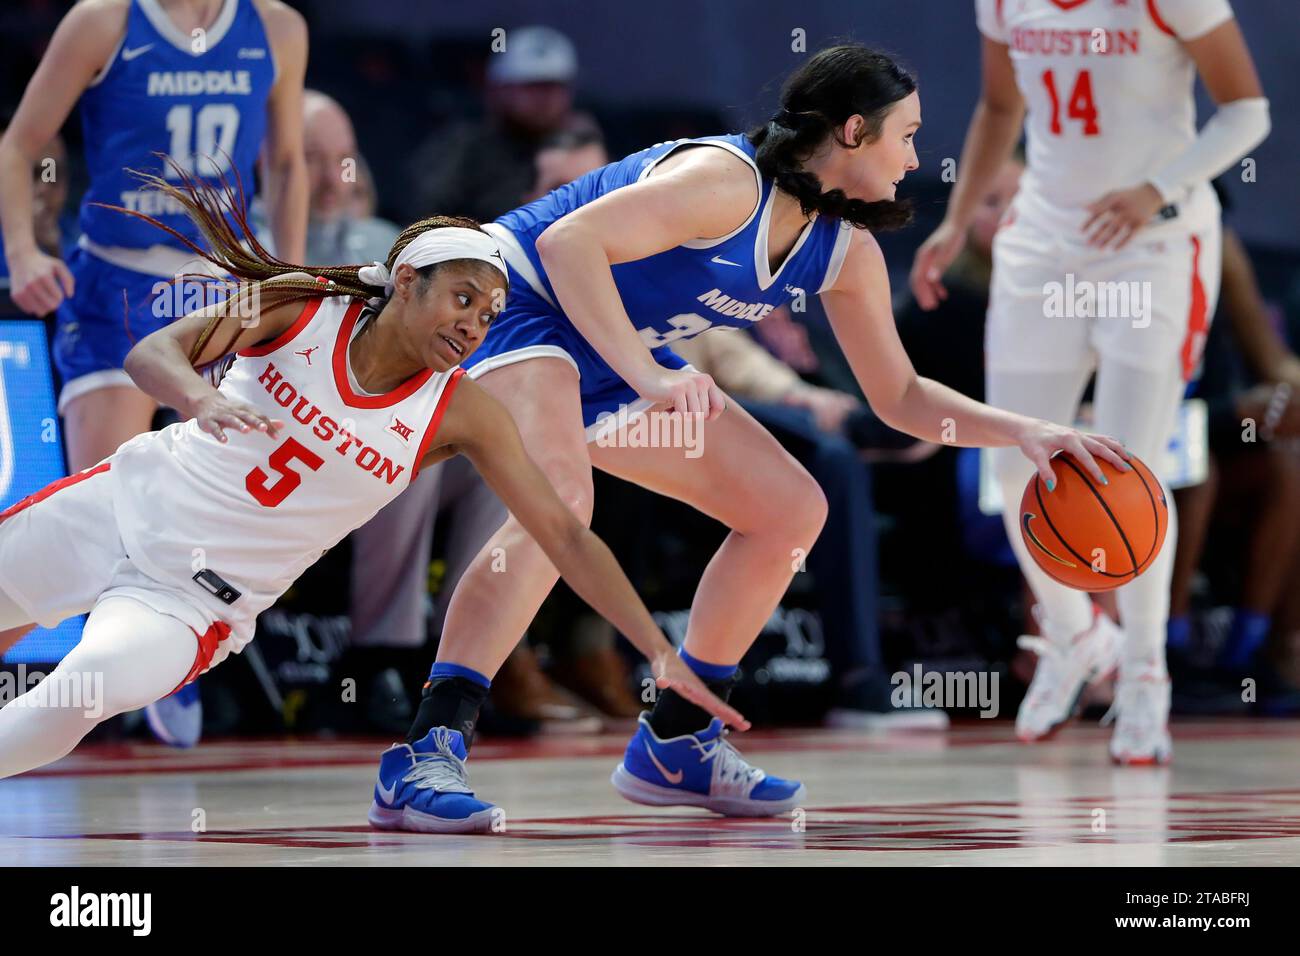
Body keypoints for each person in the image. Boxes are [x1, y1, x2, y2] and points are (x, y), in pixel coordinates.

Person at [373, 44, 1130, 829]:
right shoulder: (726, 181)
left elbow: (901, 397)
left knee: (788, 508)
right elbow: (569, 244)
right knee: (560, 500)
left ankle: (677, 740)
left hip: (606, 343)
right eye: (905, 135)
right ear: (852, 131)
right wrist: (650, 375)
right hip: (514, 300)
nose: (915, 156)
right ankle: (425, 751)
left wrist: (1027, 432)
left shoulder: (844, 250)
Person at [0, 169, 741, 837]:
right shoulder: (298, 308)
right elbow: (151, 353)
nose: (474, 324)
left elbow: (563, 534)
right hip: (114, 511)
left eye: (489, 314)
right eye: (462, 298)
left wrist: (656, 649)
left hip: (192, 601)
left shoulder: (464, 413)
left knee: (78, 691)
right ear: (408, 281)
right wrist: (198, 398)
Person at [911, 0, 1270, 764]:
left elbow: (1247, 111)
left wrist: (1157, 186)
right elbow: (1002, 104)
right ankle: (1075, 638)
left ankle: (1145, 677)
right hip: (1044, 241)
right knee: (1011, 466)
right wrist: (958, 216)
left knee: (1127, 470)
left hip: (1155, 241)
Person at [0, 0, 310, 747]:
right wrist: (23, 253)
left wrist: (292, 279)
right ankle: (106, 667)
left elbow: (291, 162)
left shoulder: (277, 25)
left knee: (242, 491)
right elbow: (19, 145)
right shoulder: (104, 20)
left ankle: (170, 659)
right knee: (105, 511)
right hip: (119, 287)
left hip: (225, 288)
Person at [405, 25, 598, 224]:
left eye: (554, 86)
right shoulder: (463, 149)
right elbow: (426, 216)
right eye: (531, 86)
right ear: (499, 89)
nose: (545, 98)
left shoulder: (583, 147)